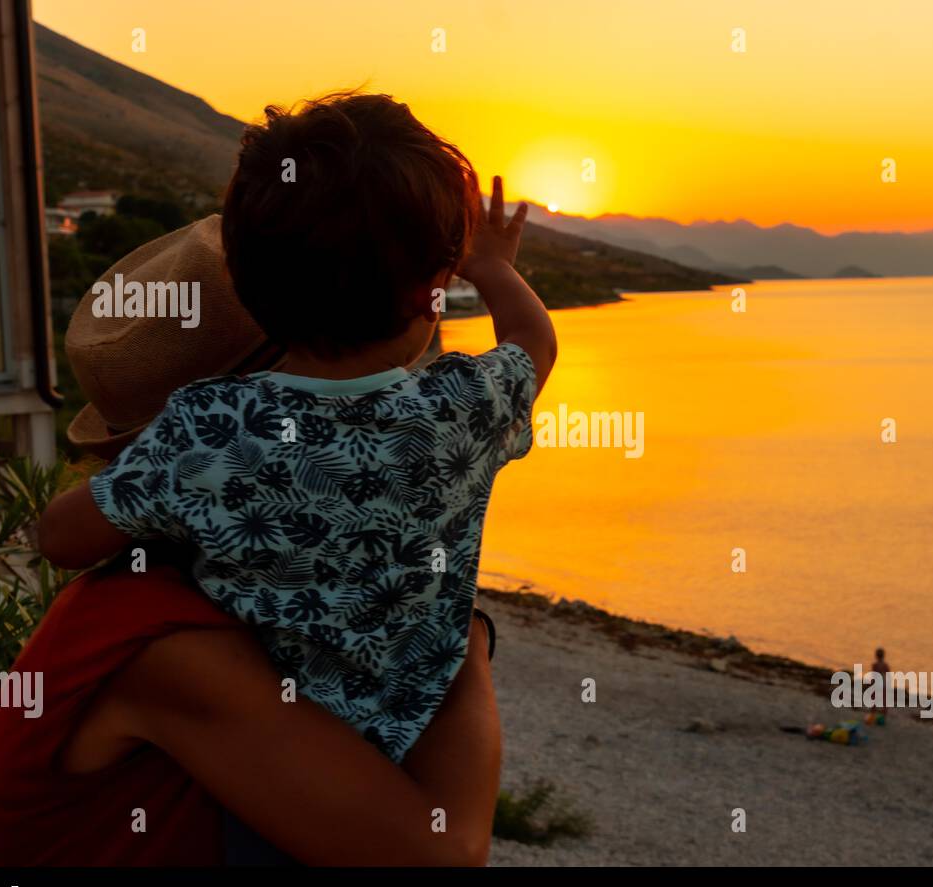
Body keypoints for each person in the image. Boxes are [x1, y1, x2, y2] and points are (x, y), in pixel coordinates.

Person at [36, 93, 556, 765]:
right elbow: (533, 342)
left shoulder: (207, 428)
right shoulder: (461, 407)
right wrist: (490, 265)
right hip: (410, 746)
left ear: (248, 289)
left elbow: (60, 538)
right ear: (429, 290)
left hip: (256, 762)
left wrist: (165, 494)